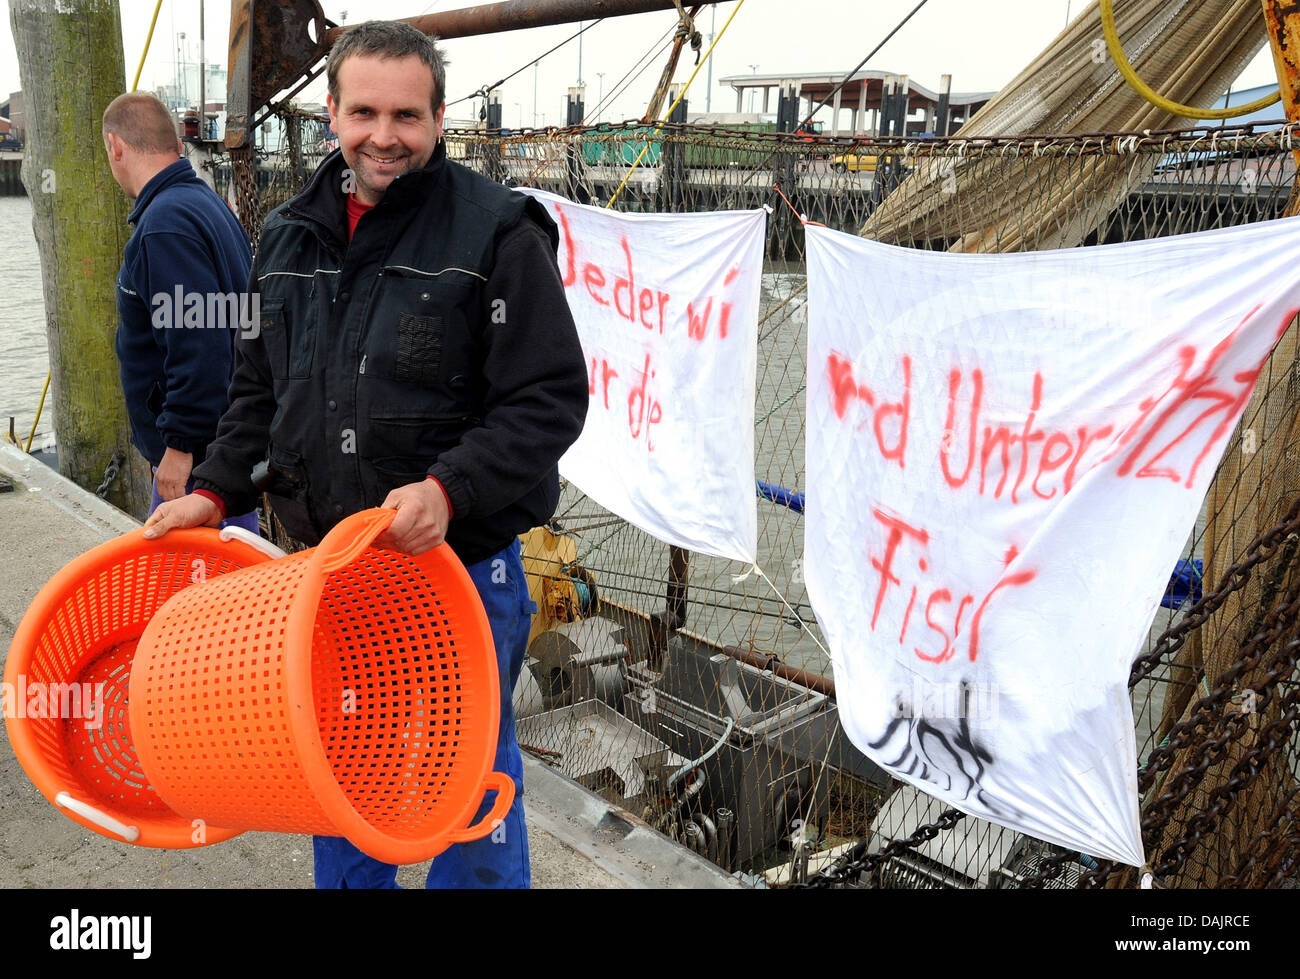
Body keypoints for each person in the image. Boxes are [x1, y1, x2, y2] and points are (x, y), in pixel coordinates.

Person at [143, 20, 589, 888]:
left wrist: (448, 490)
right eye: (365, 113)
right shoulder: (286, 237)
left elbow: (549, 399)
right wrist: (211, 488)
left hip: (457, 570)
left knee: (473, 788)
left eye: (407, 116)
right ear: (332, 114)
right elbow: (256, 391)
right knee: (335, 769)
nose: (385, 136)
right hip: (326, 577)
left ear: (439, 116)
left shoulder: (500, 233)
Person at [102, 92, 259, 533]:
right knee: (236, 573)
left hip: (195, 465)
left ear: (116, 146)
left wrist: (179, 446)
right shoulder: (206, 206)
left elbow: (200, 344)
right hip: (224, 453)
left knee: (187, 592)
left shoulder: (164, 226)